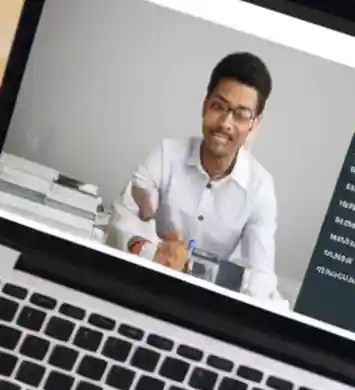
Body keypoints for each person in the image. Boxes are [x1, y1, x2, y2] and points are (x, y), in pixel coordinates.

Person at [111, 52, 280, 301]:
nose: (225, 122)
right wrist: (155, 253)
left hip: (203, 302)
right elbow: (122, 221)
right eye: (218, 106)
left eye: (241, 114)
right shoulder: (165, 154)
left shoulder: (261, 187)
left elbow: (261, 274)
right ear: (205, 104)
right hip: (145, 284)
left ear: (255, 124)